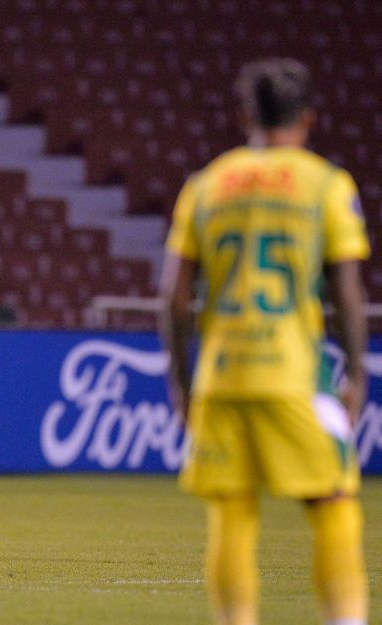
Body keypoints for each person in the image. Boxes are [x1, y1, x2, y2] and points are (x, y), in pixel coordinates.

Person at [159, 58, 370, 625]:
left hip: (222, 377)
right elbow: (348, 295)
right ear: (310, 118)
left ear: (245, 114)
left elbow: (174, 299)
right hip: (293, 376)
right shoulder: (326, 184)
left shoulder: (205, 187)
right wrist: (357, 375)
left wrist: (181, 381)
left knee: (232, 512)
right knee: (333, 500)